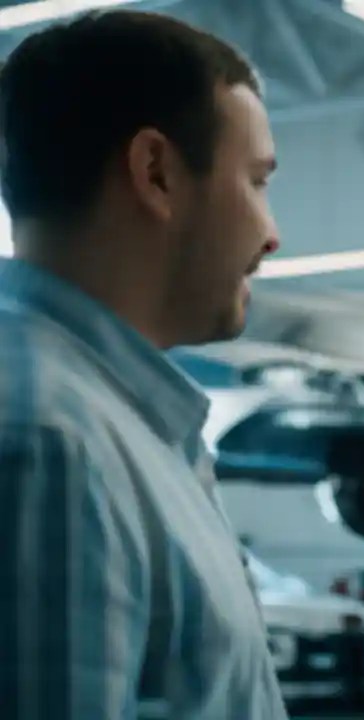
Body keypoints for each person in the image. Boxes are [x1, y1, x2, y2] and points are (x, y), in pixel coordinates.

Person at [0, 10, 285, 719]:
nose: (270, 233)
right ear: (155, 171)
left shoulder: (122, 428)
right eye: (256, 182)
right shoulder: (55, 445)